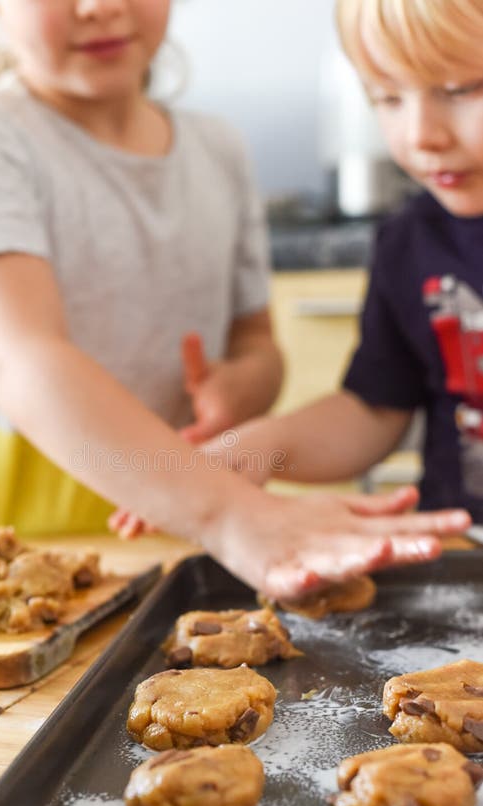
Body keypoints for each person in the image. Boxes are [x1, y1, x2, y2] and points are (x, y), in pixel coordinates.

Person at [0, 0, 469, 601]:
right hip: (12, 501)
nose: (101, 7)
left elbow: (255, 344)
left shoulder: (218, 149)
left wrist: (243, 388)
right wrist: (228, 514)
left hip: (180, 497)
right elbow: (23, 357)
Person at [155, 0, 483, 526]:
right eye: (388, 98)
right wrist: (267, 443)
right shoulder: (408, 243)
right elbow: (374, 410)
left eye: (461, 89)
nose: (422, 135)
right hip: (462, 559)